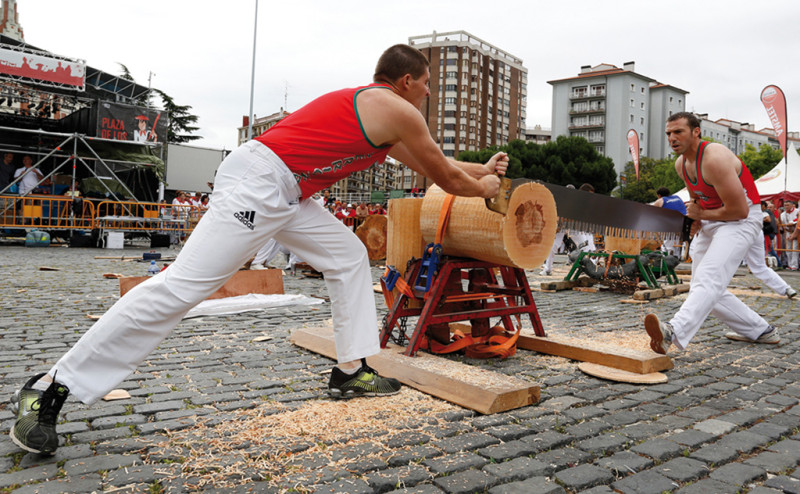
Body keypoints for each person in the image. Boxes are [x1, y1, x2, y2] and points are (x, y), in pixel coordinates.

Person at [9, 44, 508, 455]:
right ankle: (50, 388)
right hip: (262, 182)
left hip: (287, 192)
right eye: (425, 83)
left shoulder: (389, 116)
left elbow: (442, 164)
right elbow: (443, 175)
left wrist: (484, 173)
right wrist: (484, 188)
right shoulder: (395, 108)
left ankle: (352, 370)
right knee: (184, 286)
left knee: (349, 256)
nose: (427, 92)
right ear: (404, 80)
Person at [645, 112, 779, 356]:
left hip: (744, 219)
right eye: (668, 134)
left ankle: (672, 332)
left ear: (696, 131)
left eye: (678, 132)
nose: (672, 138)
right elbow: (698, 201)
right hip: (717, 219)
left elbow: (739, 211)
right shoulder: (681, 165)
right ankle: (761, 330)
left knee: (708, 279)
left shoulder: (714, 157)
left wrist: (702, 215)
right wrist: (695, 219)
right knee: (702, 288)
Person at [653, 186, 687, 257]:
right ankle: (677, 257)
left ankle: (666, 257)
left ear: (659, 195)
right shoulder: (677, 197)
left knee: (668, 243)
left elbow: (652, 213)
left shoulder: (660, 200)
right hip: (685, 222)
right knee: (677, 242)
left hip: (673, 223)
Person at [761, 201, 781, 267]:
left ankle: (778, 264)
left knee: (769, 249)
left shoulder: (765, 212)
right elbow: (776, 221)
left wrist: (759, 219)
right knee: (768, 249)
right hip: (770, 232)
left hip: (768, 232)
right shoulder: (768, 212)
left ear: (763, 205)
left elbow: (768, 220)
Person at [780, 201, 798, 270]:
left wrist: (793, 222)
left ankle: (794, 265)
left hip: (795, 232)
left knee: (795, 248)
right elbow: (782, 223)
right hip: (787, 232)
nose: (786, 207)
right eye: (785, 205)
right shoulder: (782, 214)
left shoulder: (797, 211)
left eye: (787, 205)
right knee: (788, 249)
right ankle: (789, 264)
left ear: (792, 205)